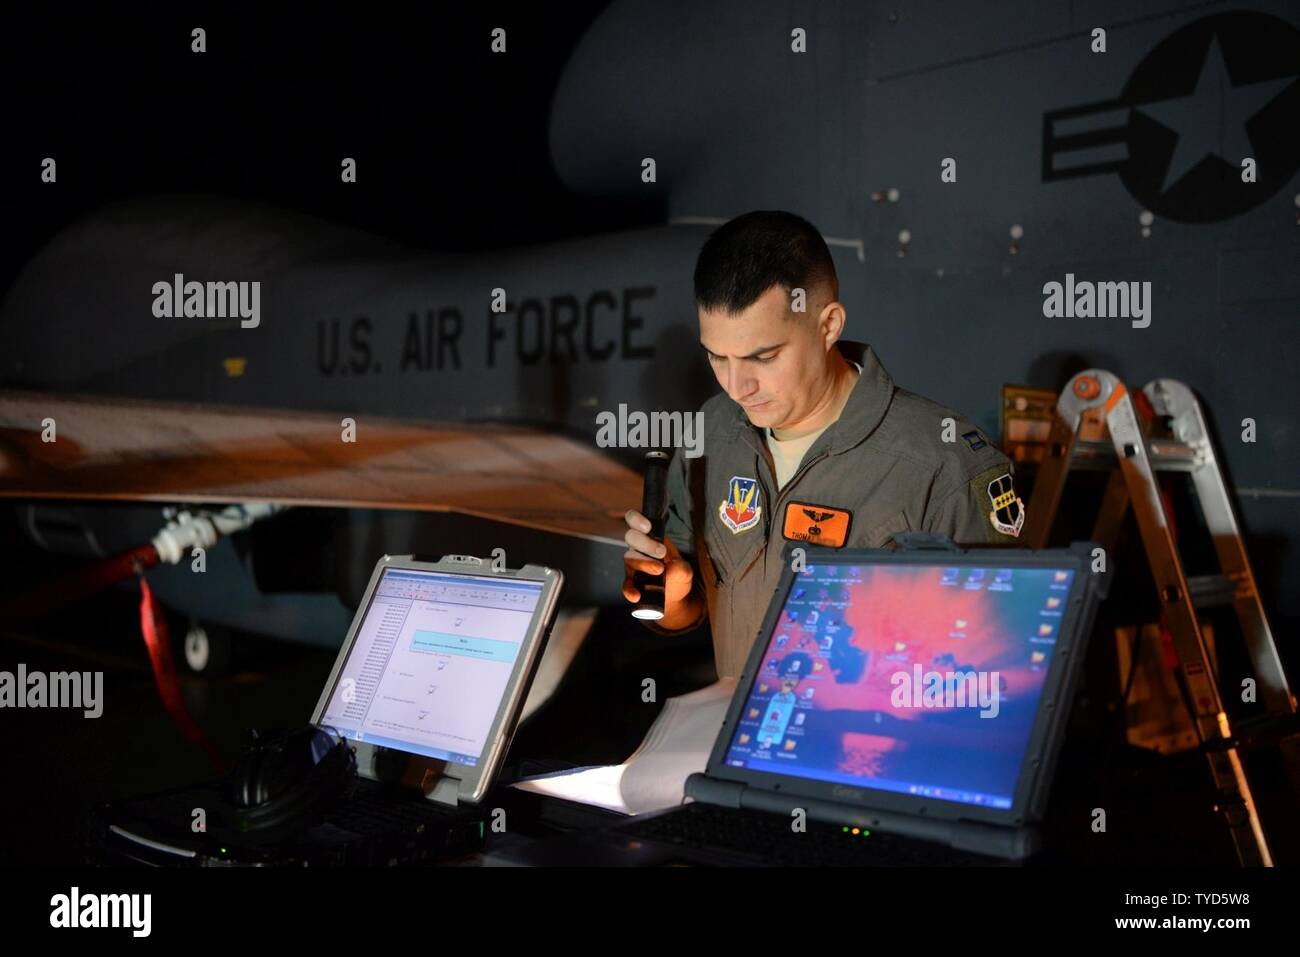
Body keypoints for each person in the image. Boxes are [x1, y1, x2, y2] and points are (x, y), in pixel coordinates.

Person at [623, 210, 1026, 679]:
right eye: (718, 357)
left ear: (828, 325)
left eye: (763, 357)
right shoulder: (710, 433)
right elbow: (686, 609)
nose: (737, 387)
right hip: (734, 742)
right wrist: (671, 595)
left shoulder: (944, 467)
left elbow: (995, 675)